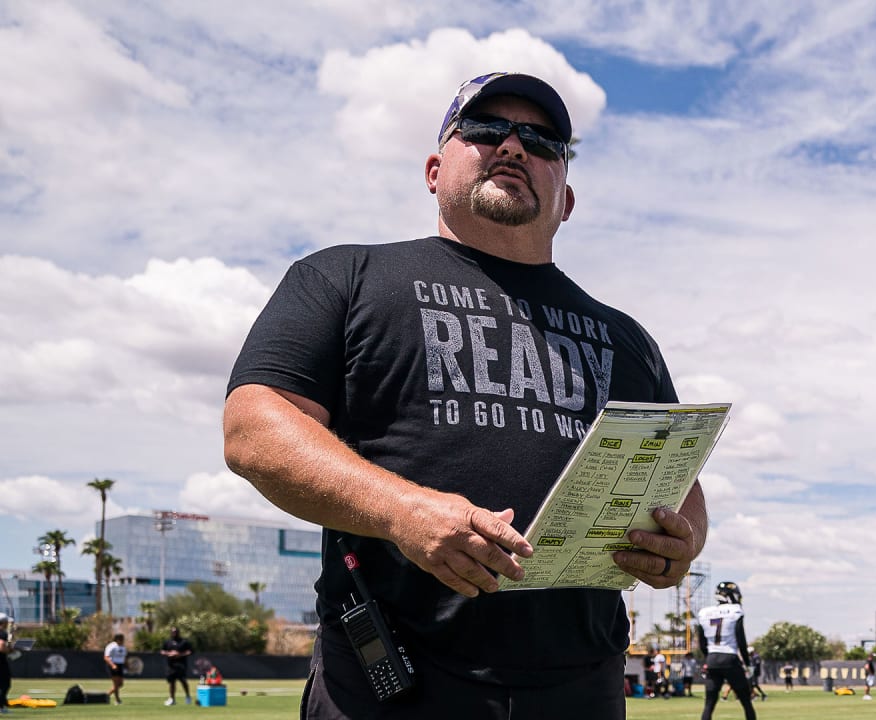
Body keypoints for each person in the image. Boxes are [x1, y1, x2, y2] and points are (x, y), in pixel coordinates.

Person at [222, 71, 707, 720]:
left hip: (582, 689)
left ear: (566, 198)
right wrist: (402, 511)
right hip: (393, 685)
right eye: (483, 129)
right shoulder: (345, 276)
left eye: (542, 141)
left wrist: (682, 544)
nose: (512, 146)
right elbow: (253, 427)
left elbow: (682, 486)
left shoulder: (629, 340)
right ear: (433, 169)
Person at [696, 581, 756, 720]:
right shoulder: (735, 611)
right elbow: (741, 640)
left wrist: (709, 657)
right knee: (746, 702)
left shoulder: (705, 613)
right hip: (730, 659)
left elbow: (702, 642)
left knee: (709, 704)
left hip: (712, 660)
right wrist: (747, 664)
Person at [161, 626, 193, 706]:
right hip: (171, 665)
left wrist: (180, 654)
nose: (174, 633)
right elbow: (162, 651)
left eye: (175, 632)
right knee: (172, 682)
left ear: (178, 632)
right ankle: (172, 699)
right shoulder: (168, 642)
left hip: (181, 665)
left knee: (183, 681)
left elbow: (190, 651)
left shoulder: (183, 642)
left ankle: (188, 696)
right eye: (172, 632)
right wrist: (169, 654)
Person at [104, 633, 127, 705]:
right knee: (116, 684)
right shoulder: (111, 646)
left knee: (120, 684)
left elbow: (124, 658)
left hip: (120, 666)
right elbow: (106, 657)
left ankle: (106, 695)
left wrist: (127, 665)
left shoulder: (123, 647)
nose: (123, 641)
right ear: (117, 639)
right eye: (121, 639)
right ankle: (117, 700)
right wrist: (112, 665)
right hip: (113, 665)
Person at [0, 613, 12, 715]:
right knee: (4, 684)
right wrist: (10, 650)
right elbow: (2, 646)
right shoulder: (2, 633)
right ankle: (1, 707)